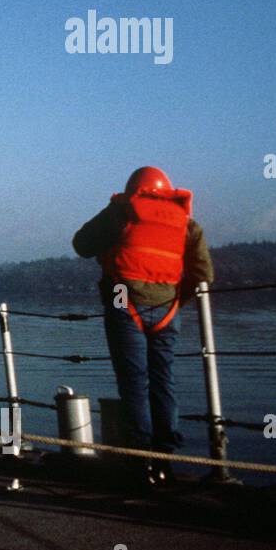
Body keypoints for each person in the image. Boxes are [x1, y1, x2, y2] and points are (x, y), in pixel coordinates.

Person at [72, 166, 213, 486]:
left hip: (125, 306)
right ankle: (165, 461)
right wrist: (177, 298)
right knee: (164, 380)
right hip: (167, 311)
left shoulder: (122, 211)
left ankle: (140, 462)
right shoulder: (187, 223)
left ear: (133, 189)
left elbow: (81, 244)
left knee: (134, 383)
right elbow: (205, 273)